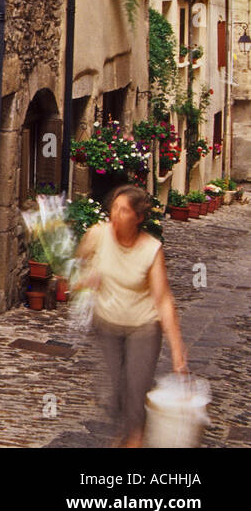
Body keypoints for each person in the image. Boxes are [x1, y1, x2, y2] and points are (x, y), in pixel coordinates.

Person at [75, 185, 187, 448]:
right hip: (107, 324)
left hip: (143, 327)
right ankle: (126, 434)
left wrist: (177, 350)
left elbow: (163, 299)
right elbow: (74, 268)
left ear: (138, 218)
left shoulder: (151, 250)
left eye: (124, 210)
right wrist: (84, 279)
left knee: (136, 390)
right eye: (114, 207)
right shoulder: (97, 235)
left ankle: (134, 440)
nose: (116, 214)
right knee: (118, 393)